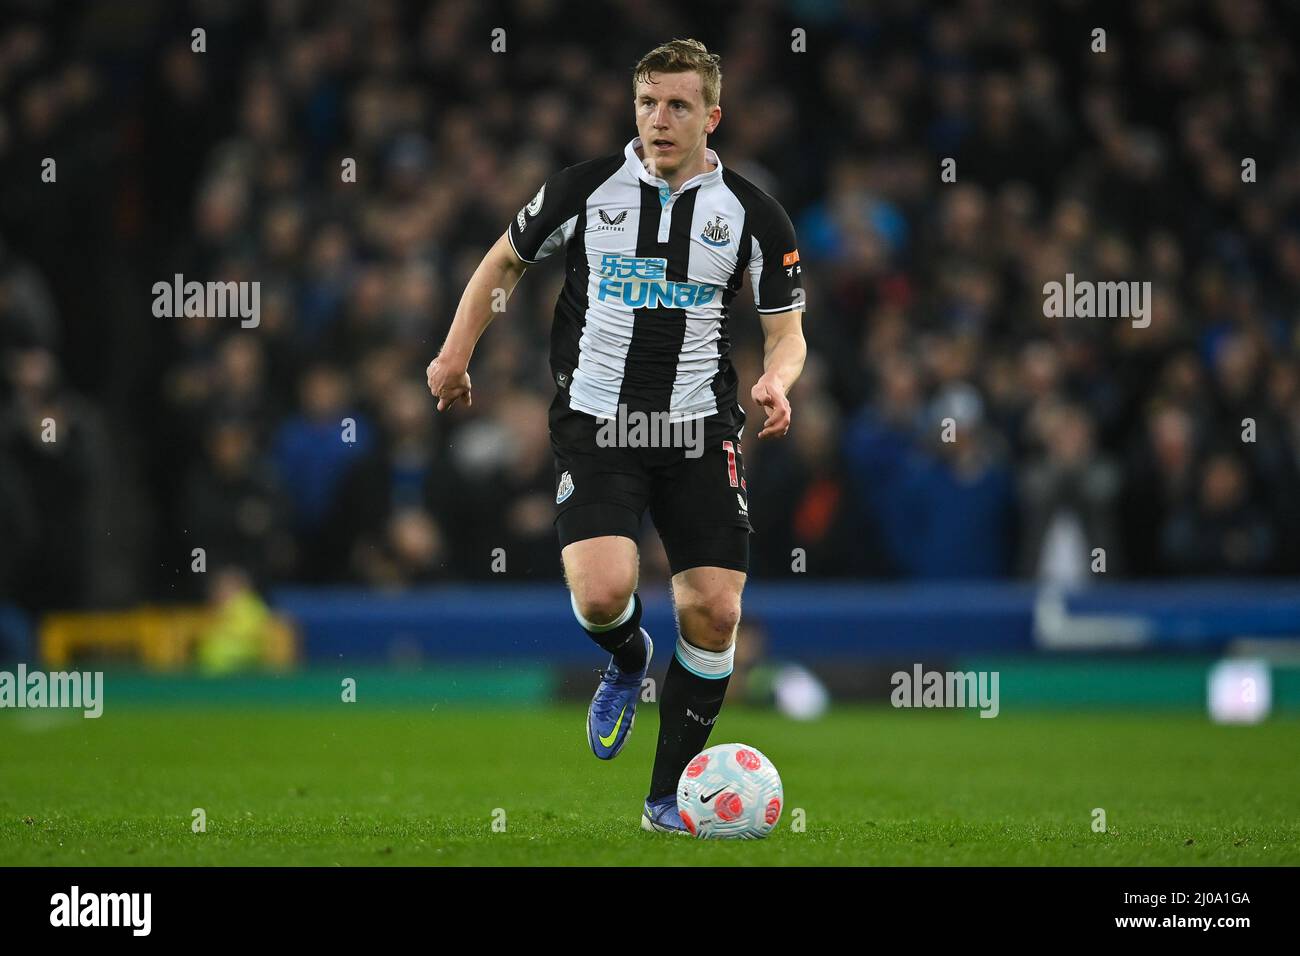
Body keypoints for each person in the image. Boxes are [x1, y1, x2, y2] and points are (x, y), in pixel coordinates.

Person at [425, 38, 806, 833]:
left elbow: (786, 330)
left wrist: (778, 379)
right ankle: (629, 659)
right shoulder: (585, 189)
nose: (659, 121)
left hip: (700, 429)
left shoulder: (753, 214)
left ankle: (665, 800)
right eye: (646, 104)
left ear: (712, 116)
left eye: (677, 106)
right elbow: (503, 263)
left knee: (714, 613)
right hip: (599, 424)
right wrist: (455, 355)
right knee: (601, 594)